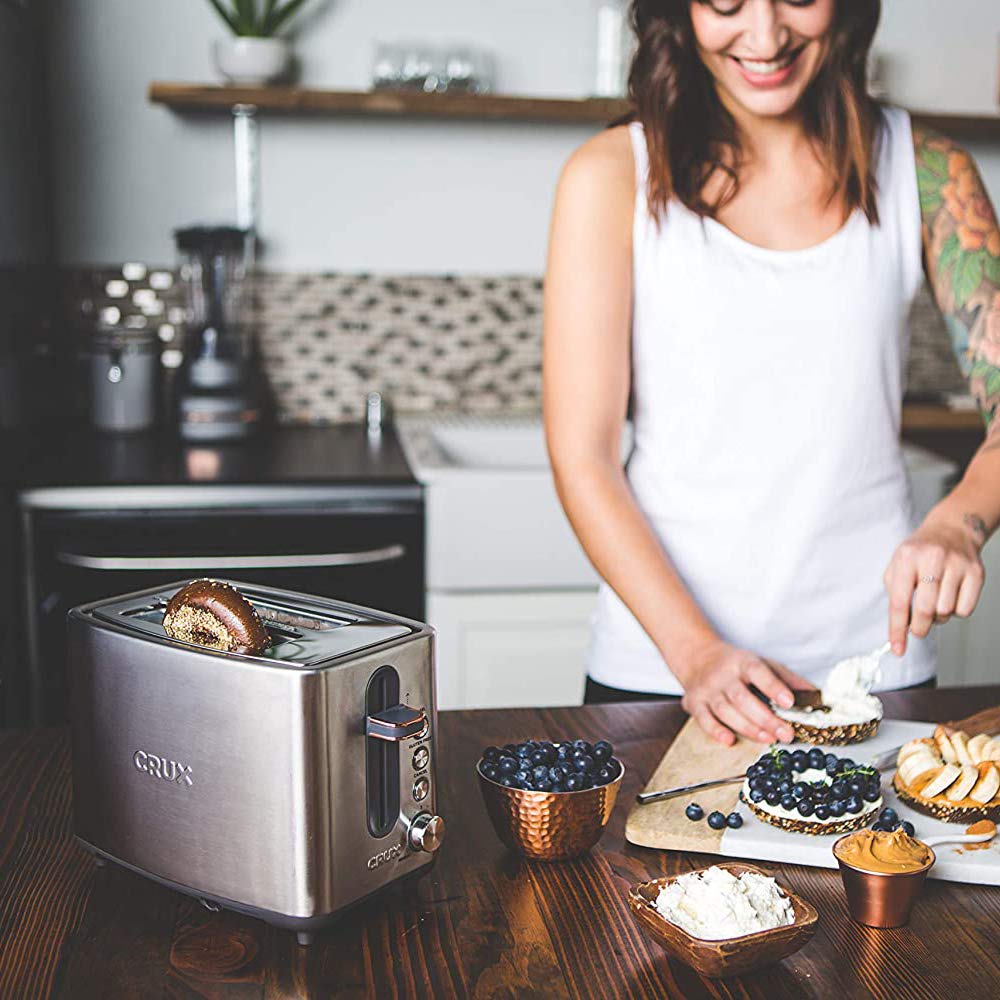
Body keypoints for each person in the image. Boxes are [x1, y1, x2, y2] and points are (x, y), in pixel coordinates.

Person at [543, 0, 1000, 746]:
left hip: (874, 664)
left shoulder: (928, 170)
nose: (764, 36)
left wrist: (958, 523)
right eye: (726, 3)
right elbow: (581, 455)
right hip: (665, 667)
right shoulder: (610, 174)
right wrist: (696, 653)